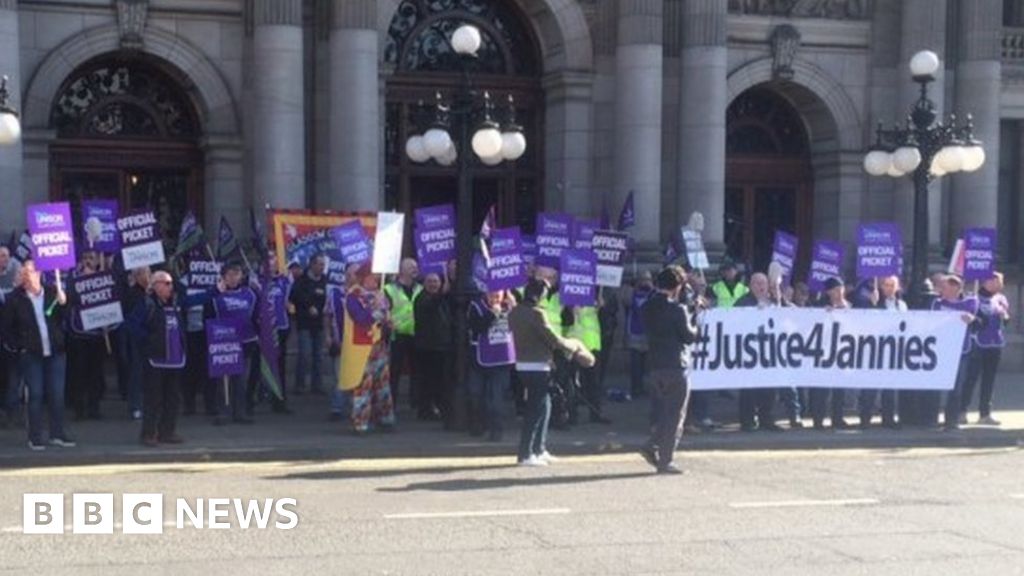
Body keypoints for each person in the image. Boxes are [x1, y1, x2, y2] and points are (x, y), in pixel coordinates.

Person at [508, 277, 593, 467]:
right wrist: (574, 345)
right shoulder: (537, 314)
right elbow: (553, 339)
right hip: (538, 365)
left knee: (544, 405)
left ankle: (539, 449)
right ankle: (526, 453)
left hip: (523, 364)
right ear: (540, 295)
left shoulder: (515, 312)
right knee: (535, 410)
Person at [0, 260, 74, 450]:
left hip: (55, 351)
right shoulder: (14, 299)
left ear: (39, 274)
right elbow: (7, 328)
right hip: (31, 354)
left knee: (57, 394)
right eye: (24, 273)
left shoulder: (51, 293)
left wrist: (64, 302)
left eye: (30, 272)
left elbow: (63, 318)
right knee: (36, 395)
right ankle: (35, 436)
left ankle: (57, 434)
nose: (27, 276)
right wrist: (18, 346)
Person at [638, 266, 699, 475]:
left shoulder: (647, 307)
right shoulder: (678, 310)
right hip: (675, 365)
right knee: (675, 416)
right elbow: (689, 336)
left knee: (663, 413)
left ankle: (653, 445)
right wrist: (695, 318)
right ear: (678, 287)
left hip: (655, 365)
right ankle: (665, 460)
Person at [340, 264, 394, 433]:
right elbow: (361, 318)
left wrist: (388, 321)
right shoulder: (353, 297)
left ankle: (385, 419)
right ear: (364, 278)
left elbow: (385, 321)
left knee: (382, 385)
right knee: (363, 386)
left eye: (377, 276)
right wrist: (376, 309)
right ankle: (361, 422)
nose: (376, 279)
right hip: (361, 348)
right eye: (373, 276)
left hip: (379, 347)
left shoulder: (380, 295)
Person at [205, 261, 258, 425]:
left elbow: (256, 316)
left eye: (237, 274)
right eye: (230, 274)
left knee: (241, 379)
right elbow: (208, 315)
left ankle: (240, 412)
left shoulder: (250, 294)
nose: (234, 278)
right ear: (223, 277)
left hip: (245, 341)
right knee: (223, 379)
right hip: (223, 341)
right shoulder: (215, 295)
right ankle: (223, 412)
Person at [138, 271, 188, 446]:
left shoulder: (175, 302)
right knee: (153, 399)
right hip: (156, 359)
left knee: (173, 398)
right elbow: (133, 326)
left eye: (171, 283)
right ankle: (149, 433)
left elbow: (190, 297)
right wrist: (149, 341)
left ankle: (168, 431)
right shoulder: (147, 304)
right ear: (156, 285)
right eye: (166, 284)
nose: (170, 287)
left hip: (175, 358)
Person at [932, 274, 982, 431]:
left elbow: (983, 323)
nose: (942, 291)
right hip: (940, 350)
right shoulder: (937, 303)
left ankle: (951, 420)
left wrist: (973, 319)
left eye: (945, 288)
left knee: (956, 388)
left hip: (961, 351)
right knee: (937, 385)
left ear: (956, 288)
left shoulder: (970, 303)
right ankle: (933, 417)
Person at [734, 273, 783, 432]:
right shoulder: (742, 303)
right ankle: (747, 421)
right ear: (750, 286)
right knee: (748, 389)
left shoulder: (773, 302)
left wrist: (779, 299)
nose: (761, 286)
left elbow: (790, 314)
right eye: (757, 283)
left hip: (769, 353)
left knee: (769, 389)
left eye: (763, 283)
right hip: (749, 353)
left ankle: (766, 419)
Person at [856, 275, 907, 429]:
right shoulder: (873, 301)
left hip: (893, 350)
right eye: (886, 285)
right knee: (870, 386)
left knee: (890, 386)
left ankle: (888, 418)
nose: (889, 288)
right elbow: (866, 322)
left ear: (897, 287)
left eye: (892, 285)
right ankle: (865, 418)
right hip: (876, 349)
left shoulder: (902, 305)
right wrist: (872, 305)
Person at [961, 271, 1010, 426]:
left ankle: (985, 413)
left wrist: (1005, 317)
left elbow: (1005, 320)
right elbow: (974, 320)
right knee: (971, 378)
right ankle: (962, 410)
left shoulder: (1001, 299)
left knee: (989, 380)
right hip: (979, 343)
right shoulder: (975, 298)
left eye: (1000, 281)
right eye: (996, 281)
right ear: (987, 282)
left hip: (995, 343)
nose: (999, 284)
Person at [467, 289, 516, 441]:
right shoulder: (475, 306)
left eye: (498, 295)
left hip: (501, 360)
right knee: (476, 394)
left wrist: (515, 309)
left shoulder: (511, 306)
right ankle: (479, 424)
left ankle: (497, 430)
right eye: (491, 295)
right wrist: (492, 314)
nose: (494, 298)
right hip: (479, 359)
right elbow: (477, 328)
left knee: (496, 398)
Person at [66, 249, 109, 421]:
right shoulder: (74, 278)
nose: (88, 261)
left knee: (96, 373)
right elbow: (70, 298)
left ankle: (94, 407)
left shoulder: (104, 278)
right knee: (79, 373)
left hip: (97, 333)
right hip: (79, 333)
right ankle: (79, 409)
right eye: (85, 258)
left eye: (91, 258)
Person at [809, 277, 851, 430]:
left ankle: (837, 418)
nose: (839, 293)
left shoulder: (851, 307)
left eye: (841, 289)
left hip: (842, 354)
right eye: (835, 290)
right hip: (824, 354)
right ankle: (818, 419)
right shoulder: (821, 307)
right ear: (828, 292)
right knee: (822, 389)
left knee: (839, 389)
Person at [413, 272, 453, 423]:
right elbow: (431, 306)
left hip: (441, 346)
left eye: (436, 281)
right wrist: (443, 292)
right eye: (430, 281)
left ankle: (433, 408)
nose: (433, 284)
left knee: (438, 381)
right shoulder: (421, 299)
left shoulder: (441, 300)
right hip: (427, 347)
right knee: (427, 381)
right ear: (424, 283)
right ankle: (425, 410)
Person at [565, 296, 611, 425]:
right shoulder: (566, 297)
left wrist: (599, 306)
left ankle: (595, 413)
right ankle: (571, 414)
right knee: (573, 383)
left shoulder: (592, 298)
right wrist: (570, 309)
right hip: (575, 346)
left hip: (591, 345)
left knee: (593, 382)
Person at [383, 258, 422, 411]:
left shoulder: (420, 288)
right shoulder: (389, 289)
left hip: (415, 333)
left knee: (417, 370)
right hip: (397, 334)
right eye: (411, 266)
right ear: (402, 270)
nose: (415, 269)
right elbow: (384, 309)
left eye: (416, 266)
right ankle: (390, 403)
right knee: (394, 370)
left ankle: (415, 402)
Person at [289, 254, 328, 396]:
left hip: (319, 323)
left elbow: (325, 297)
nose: (322, 267)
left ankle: (317, 385)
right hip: (304, 322)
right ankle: (300, 385)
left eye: (323, 265)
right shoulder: (301, 280)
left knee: (319, 355)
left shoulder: (324, 280)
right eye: (319, 264)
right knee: (304, 354)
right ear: (312, 265)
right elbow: (294, 297)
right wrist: (308, 306)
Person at [623, 271, 654, 400]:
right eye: (643, 280)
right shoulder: (632, 294)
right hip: (635, 333)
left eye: (648, 280)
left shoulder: (652, 295)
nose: (645, 282)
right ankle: (636, 388)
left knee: (646, 365)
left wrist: (651, 288)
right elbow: (626, 299)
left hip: (648, 333)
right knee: (636, 365)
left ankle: (643, 388)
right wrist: (633, 286)